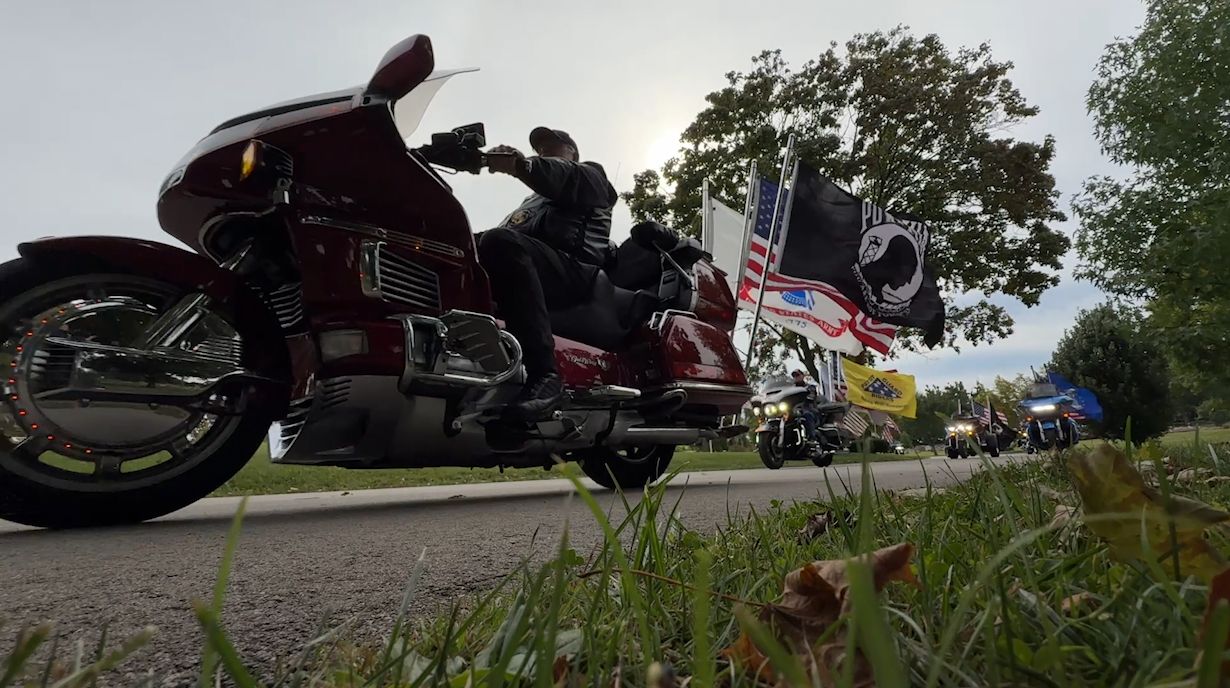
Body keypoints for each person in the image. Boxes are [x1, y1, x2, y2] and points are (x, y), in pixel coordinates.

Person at [478, 127, 618, 420]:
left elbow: (562, 175)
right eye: (540, 148)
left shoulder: (591, 176)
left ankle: (545, 375)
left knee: (498, 241)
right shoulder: (531, 201)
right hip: (534, 265)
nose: (544, 150)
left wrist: (522, 165)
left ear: (573, 153)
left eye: (553, 145)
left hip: (574, 270)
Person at [791, 369, 820, 449]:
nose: (796, 377)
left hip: (809, 409)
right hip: (796, 410)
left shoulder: (810, 387)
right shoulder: (790, 390)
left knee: (807, 415)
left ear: (802, 376)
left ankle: (812, 438)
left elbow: (811, 397)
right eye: (794, 376)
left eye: (798, 375)